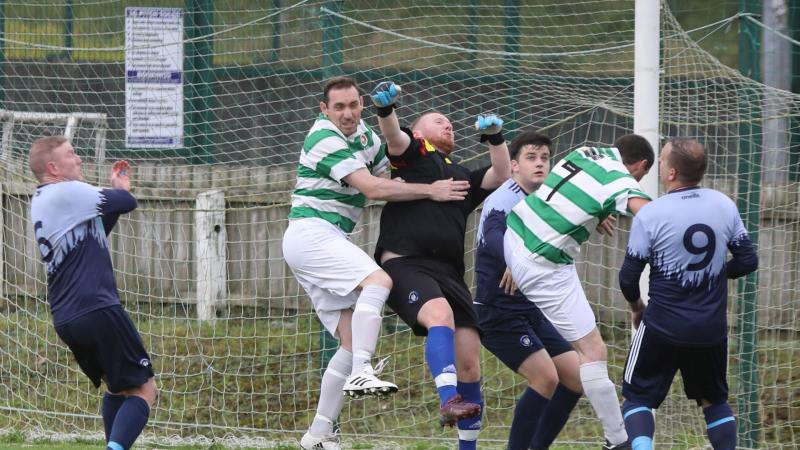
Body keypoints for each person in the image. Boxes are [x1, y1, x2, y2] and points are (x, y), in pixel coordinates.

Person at [282, 76, 471, 450]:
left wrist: (425, 163)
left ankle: (318, 434)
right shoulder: (323, 137)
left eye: (353, 105)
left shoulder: (366, 136)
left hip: (328, 238)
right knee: (379, 282)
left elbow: (395, 169)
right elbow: (373, 187)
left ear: (361, 105)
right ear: (324, 110)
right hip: (311, 233)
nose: (348, 113)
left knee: (352, 341)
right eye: (339, 107)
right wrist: (431, 191)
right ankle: (361, 373)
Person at [370, 81, 512, 450]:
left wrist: (496, 138)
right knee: (439, 316)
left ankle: (467, 447)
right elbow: (395, 139)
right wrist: (387, 111)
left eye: (450, 122)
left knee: (471, 365)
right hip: (407, 264)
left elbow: (502, 175)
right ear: (420, 132)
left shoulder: (461, 174)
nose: (448, 124)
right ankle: (447, 400)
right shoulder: (415, 155)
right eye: (438, 120)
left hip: (450, 274)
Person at [504, 134, 655, 450]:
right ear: (640, 166)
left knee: (578, 362)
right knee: (593, 352)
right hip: (542, 263)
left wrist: (596, 212)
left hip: (517, 233)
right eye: (641, 175)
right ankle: (618, 441)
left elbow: (573, 192)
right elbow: (650, 216)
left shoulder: (588, 150)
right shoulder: (619, 180)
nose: (638, 180)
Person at [618, 138, 758, 450]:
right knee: (715, 401)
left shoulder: (651, 214)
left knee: (637, 397)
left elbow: (628, 278)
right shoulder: (723, 204)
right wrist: (716, 278)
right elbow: (749, 260)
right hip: (710, 330)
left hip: (661, 326)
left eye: (664, 159)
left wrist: (636, 306)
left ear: (670, 173)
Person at [475, 131, 605, 450]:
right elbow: (492, 236)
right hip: (498, 311)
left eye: (545, 158)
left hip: (532, 310)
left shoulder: (548, 198)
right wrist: (514, 260)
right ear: (515, 166)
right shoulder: (503, 199)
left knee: (574, 377)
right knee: (546, 378)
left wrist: (598, 216)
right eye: (531, 158)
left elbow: (573, 216)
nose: (540, 164)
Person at [28, 136, 157, 450]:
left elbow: (98, 230)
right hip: (96, 307)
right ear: (53, 167)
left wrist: (115, 190)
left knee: (117, 389)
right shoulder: (66, 191)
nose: (79, 159)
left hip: (67, 316)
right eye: (72, 154)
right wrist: (121, 188)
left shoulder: (44, 199)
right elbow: (126, 203)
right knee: (144, 390)